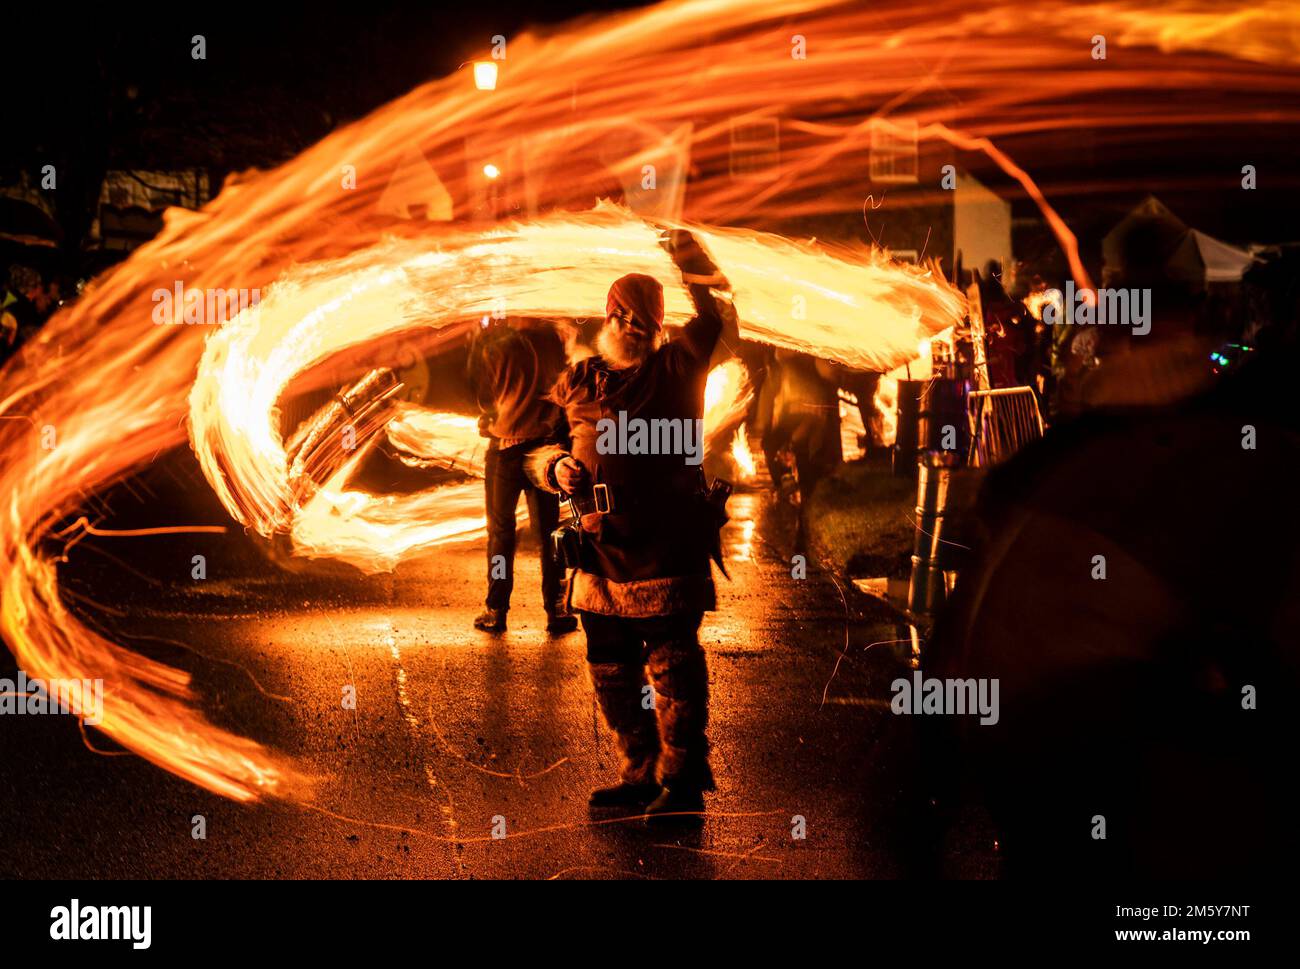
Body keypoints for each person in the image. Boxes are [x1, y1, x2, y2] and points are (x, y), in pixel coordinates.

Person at [525, 230, 731, 823]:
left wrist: (686, 253)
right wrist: (555, 466)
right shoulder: (580, 379)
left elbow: (714, 311)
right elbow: (544, 445)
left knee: (673, 667)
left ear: (657, 325)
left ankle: (682, 779)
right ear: (607, 316)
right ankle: (639, 771)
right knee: (610, 669)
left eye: (641, 317)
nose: (628, 324)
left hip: (664, 549)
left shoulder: (678, 366)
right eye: (620, 314)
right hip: (599, 549)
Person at [469, 317, 577, 634]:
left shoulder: (496, 345)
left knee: (501, 535)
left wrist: (492, 418)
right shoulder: (552, 341)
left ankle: (496, 609)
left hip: (505, 449)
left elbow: (482, 396)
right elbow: (563, 390)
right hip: (544, 452)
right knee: (548, 535)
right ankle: (556, 609)